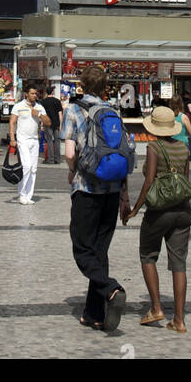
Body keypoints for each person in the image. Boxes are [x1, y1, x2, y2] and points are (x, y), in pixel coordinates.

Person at [61, 64, 129, 332]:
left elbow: (68, 152)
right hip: (112, 190)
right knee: (100, 251)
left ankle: (111, 289)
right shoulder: (112, 112)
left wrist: (72, 172)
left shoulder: (74, 110)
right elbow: (123, 153)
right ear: (104, 87)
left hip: (86, 188)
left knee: (82, 249)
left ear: (82, 85)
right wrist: (125, 195)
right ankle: (94, 314)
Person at [124, 104, 191, 332]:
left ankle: (156, 308)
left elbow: (149, 180)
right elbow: (185, 181)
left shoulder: (154, 147)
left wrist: (135, 208)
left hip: (159, 212)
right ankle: (180, 320)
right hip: (182, 211)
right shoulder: (183, 148)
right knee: (179, 263)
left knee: (148, 255)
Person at [9, 83, 50, 205]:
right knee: (26, 166)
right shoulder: (18, 106)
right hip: (22, 139)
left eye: (36, 94)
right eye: (32, 93)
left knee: (33, 168)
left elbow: (48, 122)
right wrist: (12, 139)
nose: (34, 96)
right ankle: (21, 194)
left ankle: (28, 195)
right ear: (26, 94)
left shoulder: (39, 107)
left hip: (34, 140)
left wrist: (39, 114)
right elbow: (12, 122)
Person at [42, 85, 64, 164]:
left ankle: (50, 159)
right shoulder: (57, 101)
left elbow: (42, 114)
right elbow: (60, 114)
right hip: (56, 123)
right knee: (57, 141)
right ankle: (57, 159)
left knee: (49, 141)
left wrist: (42, 124)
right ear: (52, 92)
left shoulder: (43, 102)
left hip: (47, 123)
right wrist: (61, 124)